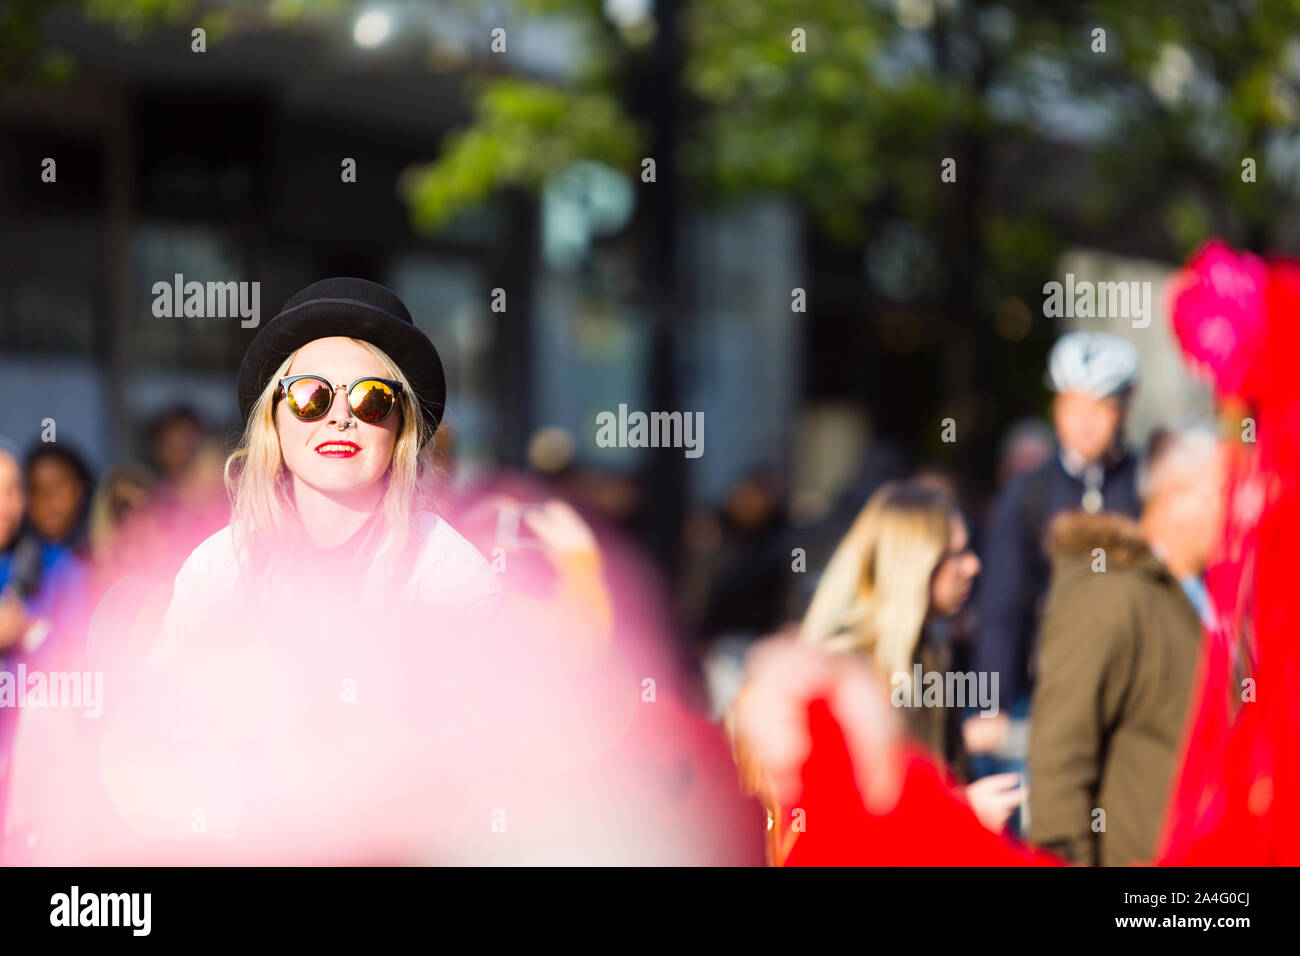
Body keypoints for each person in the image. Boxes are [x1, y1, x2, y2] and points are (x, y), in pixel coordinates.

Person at [159, 277, 502, 649]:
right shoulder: (216, 570)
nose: (341, 417)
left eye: (372, 397)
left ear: (400, 425)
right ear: (273, 420)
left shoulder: (451, 576)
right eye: (310, 394)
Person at [736, 482, 1018, 863]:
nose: (973, 565)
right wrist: (964, 813)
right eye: (957, 553)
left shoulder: (930, 650)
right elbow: (840, 832)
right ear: (915, 562)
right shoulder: (842, 674)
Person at [1028, 424, 1225, 866]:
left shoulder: (1211, 598)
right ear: (1175, 500)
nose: (1240, 512)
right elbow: (1060, 761)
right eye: (1223, 495)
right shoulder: (1112, 597)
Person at [966, 331, 1142, 775]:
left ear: (1125, 408)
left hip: (1136, 685)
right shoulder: (1029, 493)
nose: (1084, 423)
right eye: (1073, 406)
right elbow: (1001, 607)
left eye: (1100, 408)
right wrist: (992, 702)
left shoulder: (1146, 485)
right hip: (1047, 687)